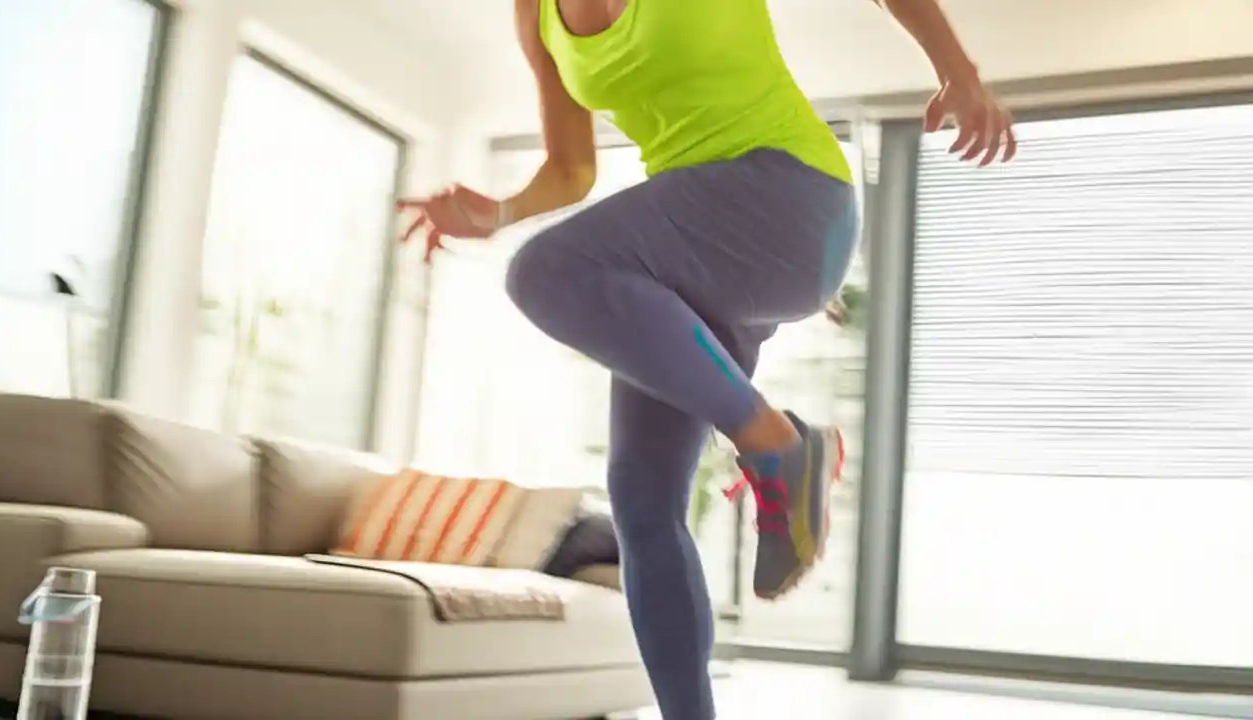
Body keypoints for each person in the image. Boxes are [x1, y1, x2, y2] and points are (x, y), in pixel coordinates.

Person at [400, 0, 1016, 717]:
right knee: (643, 502)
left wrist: (959, 74)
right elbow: (570, 170)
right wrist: (497, 212)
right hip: (699, 252)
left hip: (792, 196)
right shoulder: (535, 14)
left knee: (543, 271)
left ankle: (776, 443)